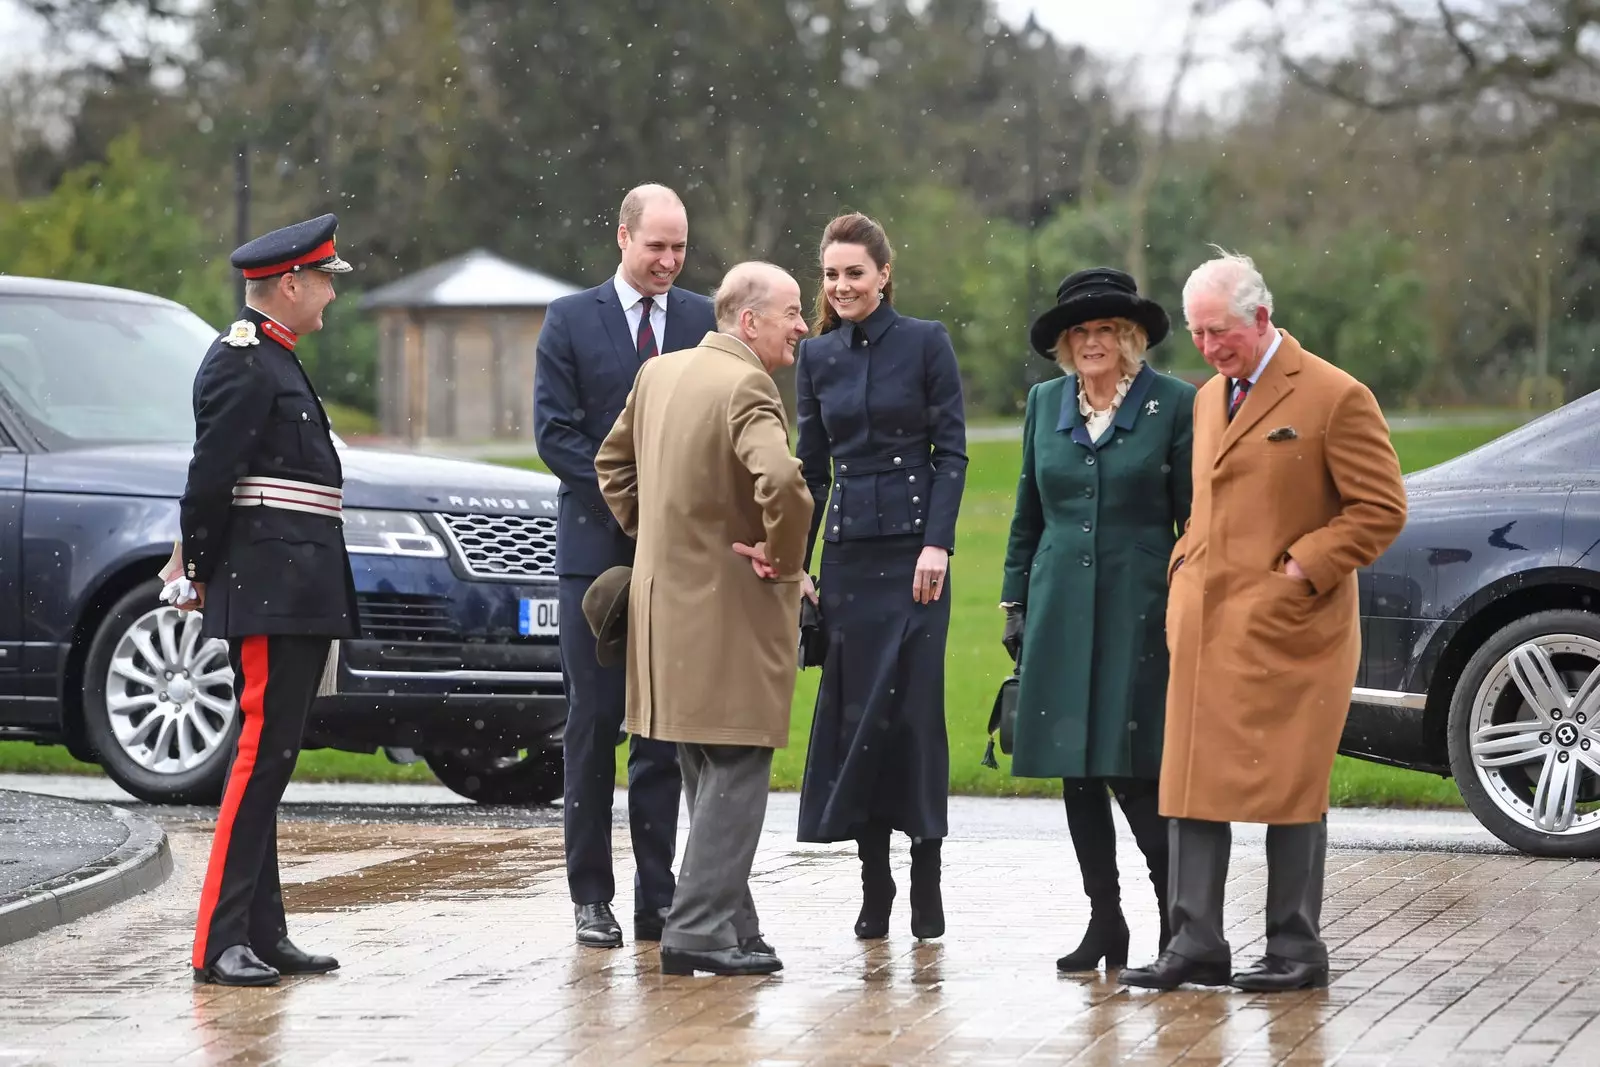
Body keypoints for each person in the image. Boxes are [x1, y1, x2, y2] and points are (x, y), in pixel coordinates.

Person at [1121, 250, 1406, 993]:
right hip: (1207, 627)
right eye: (1197, 334)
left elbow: (1381, 509)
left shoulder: (1335, 396)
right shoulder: (1210, 397)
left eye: (1221, 333)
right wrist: (1187, 568)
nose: (1209, 349)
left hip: (1294, 632)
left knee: (1290, 786)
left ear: (1262, 317)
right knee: (1190, 782)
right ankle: (1195, 942)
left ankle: (1297, 948)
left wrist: (1302, 567)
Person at [593, 261, 813, 976]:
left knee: (706, 768)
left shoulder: (659, 374)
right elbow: (782, 480)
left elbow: (611, 464)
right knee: (740, 764)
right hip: (732, 614)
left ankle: (734, 925)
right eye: (792, 312)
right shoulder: (749, 385)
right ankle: (696, 928)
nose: (803, 326)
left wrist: (657, 539)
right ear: (749, 322)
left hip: (662, 619)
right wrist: (784, 558)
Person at [532, 184, 716, 949]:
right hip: (595, 560)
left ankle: (658, 896)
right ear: (622, 237)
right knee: (594, 723)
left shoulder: (704, 320)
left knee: (661, 732)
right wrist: (635, 502)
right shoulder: (570, 321)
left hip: (679, 562)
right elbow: (555, 434)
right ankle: (590, 896)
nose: (668, 262)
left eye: (679, 248)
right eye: (655, 247)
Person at [179, 214, 359, 986]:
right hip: (265, 589)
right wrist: (202, 572)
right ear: (290, 283)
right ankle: (217, 942)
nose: (330, 293)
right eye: (325, 279)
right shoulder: (243, 362)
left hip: (297, 586)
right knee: (257, 759)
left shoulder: (278, 360)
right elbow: (208, 483)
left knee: (274, 761)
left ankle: (262, 929)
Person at [1002, 268, 1196, 973]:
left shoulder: (1174, 405)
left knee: (1135, 766)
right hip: (1057, 607)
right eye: (1079, 331)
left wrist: (1184, 597)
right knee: (1075, 771)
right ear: (1064, 344)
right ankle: (1105, 921)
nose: (1092, 341)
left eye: (1105, 329)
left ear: (1131, 337)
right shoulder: (1044, 403)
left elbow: (1194, 517)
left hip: (1140, 607)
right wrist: (1014, 598)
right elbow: (1028, 511)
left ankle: (1181, 923)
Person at [794, 213, 968, 940]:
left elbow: (952, 450)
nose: (840, 287)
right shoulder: (816, 356)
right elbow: (810, 466)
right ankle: (876, 882)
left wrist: (939, 544)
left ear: (884, 274)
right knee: (856, 713)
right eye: (831, 275)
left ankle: (926, 874)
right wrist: (798, 564)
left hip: (916, 563)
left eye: (854, 274)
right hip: (848, 562)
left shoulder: (926, 341)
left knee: (912, 716)